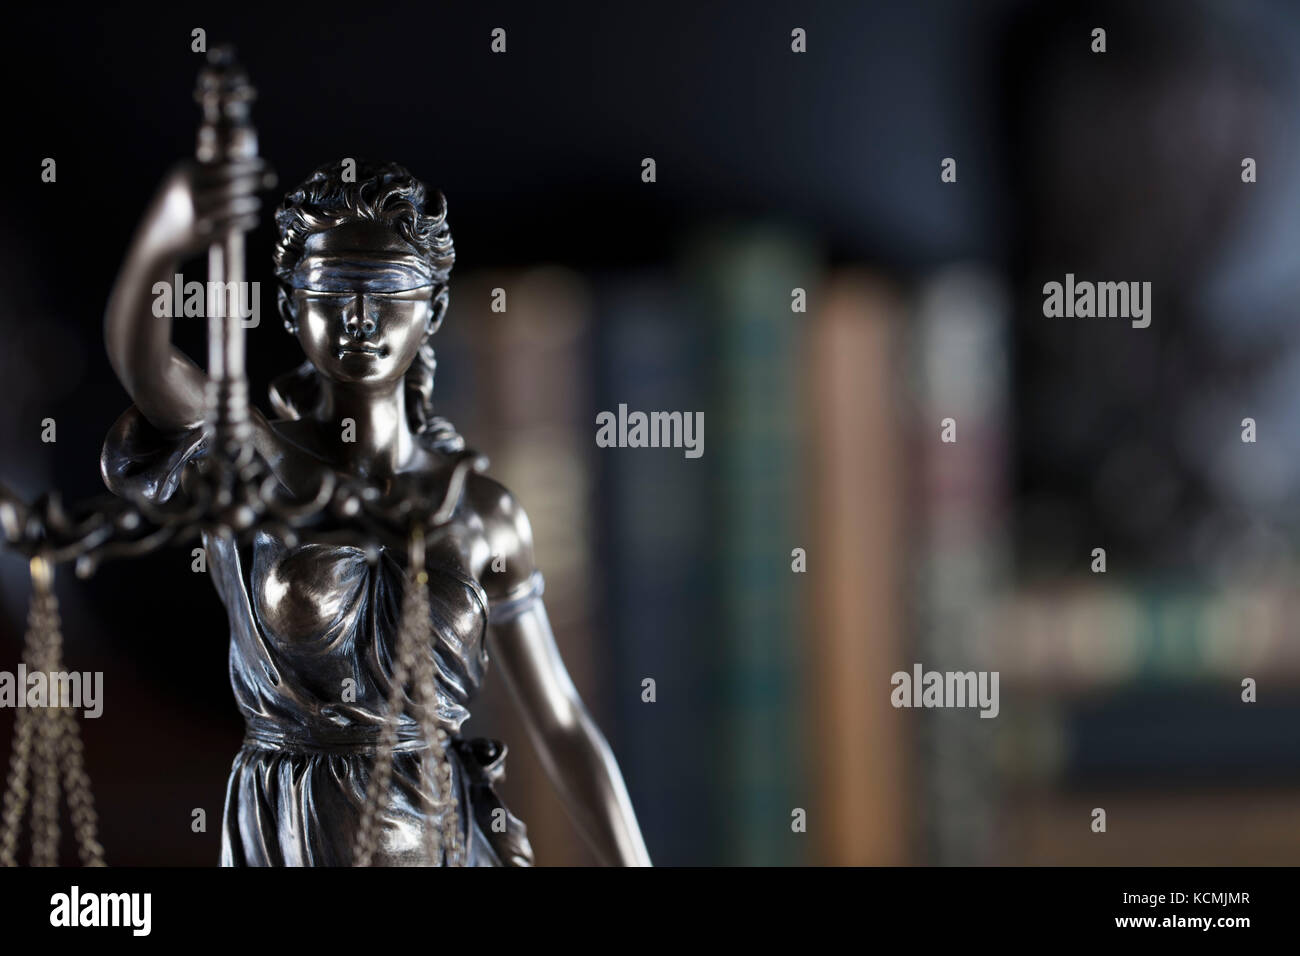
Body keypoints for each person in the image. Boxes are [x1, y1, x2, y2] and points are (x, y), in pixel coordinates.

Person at [100, 157, 651, 866]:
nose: (361, 318)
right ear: (293, 306)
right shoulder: (248, 457)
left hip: (444, 835)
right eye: (333, 290)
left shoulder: (483, 511)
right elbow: (145, 364)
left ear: (434, 309)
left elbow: (562, 723)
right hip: (295, 830)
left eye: (388, 290)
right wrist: (166, 235)